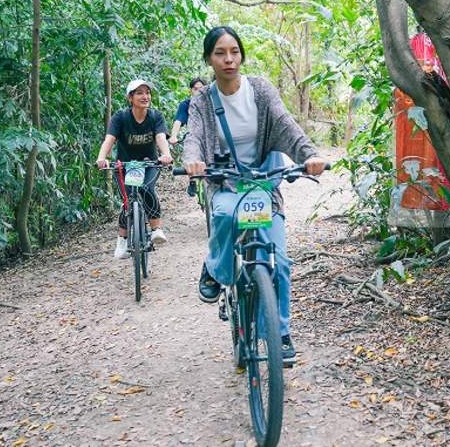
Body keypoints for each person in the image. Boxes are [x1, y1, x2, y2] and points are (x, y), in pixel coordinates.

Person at [182, 26, 326, 363]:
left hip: (263, 183)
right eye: (220, 53)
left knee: (280, 261)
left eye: (234, 51)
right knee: (223, 215)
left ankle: (280, 333)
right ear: (209, 59)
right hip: (227, 180)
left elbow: (285, 123)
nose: (229, 59)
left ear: (241, 54)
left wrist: (309, 155)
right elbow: (194, 136)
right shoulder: (202, 101)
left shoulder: (260, 90)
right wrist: (192, 161)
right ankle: (216, 268)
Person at [96, 79, 174, 259]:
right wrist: (102, 158)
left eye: (147, 93)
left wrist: (165, 154)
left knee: (147, 189)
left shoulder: (155, 117)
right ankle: (122, 241)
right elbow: (109, 139)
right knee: (127, 201)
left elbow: (161, 137)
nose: (145, 96)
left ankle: (156, 229)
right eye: (139, 93)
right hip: (125, 166)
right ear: (130, 97)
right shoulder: (121, 117)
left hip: (149, 164)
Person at [169, 77, 207, 147]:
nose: (199, 92)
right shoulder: (185, 105)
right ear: (190, 91)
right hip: (194, 141)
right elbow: (178, 121)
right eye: (195, 89)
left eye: (201, 89)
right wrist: (173, 136)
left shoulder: (213, 103)